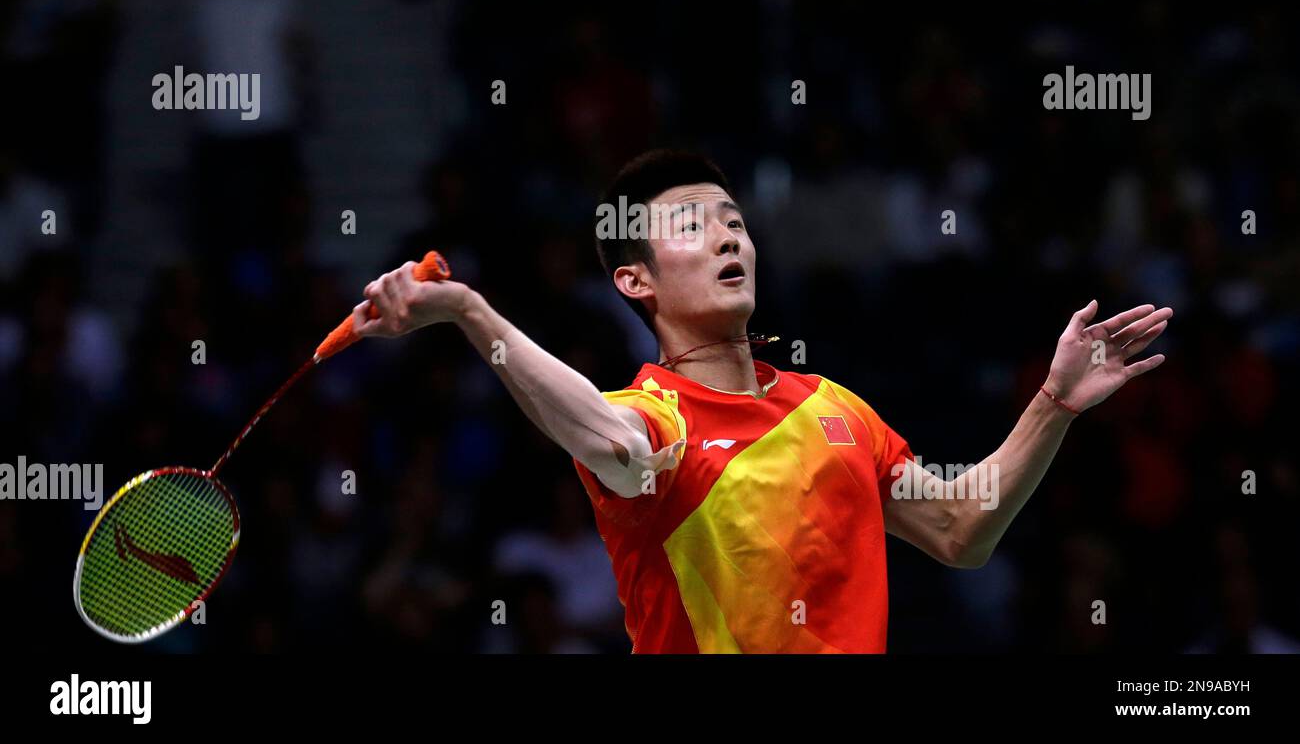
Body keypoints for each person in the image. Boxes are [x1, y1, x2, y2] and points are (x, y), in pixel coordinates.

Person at [349, 149, 1173, 653]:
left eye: (734, 223)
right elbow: (609, 438)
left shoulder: (836, 410)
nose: (727, 237)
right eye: (692, 227)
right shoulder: (656, 419)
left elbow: (961, 529)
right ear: (633, 280)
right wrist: (468, 310)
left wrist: (1053, 403)